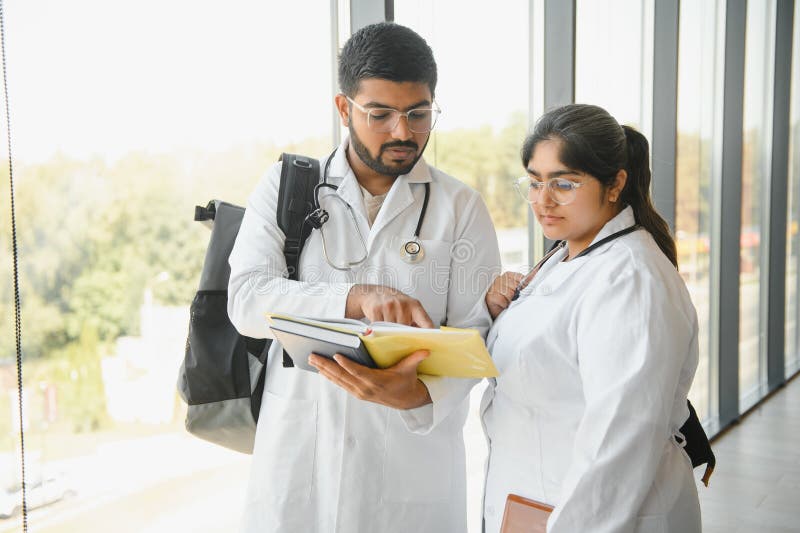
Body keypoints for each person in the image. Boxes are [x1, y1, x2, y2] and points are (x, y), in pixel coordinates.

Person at [227, 22, 501, 533]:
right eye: (380, 114)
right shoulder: (287, 187)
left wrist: (418, 396)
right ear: (344, 108)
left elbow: (477, 335)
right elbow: (245, 299)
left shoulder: (460, 207)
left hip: (409, 474)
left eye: (419, 114)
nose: (403, 132)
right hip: (300, 466)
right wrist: (355, 298)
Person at [481, 104, 702, 533]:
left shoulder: (632, 281)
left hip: (594, 515)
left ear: (615, 183)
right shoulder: (565, 256)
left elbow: (618, 443)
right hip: (533, 497)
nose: (542, 201)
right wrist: (498, 314)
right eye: (534, 182)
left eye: (564, 184)